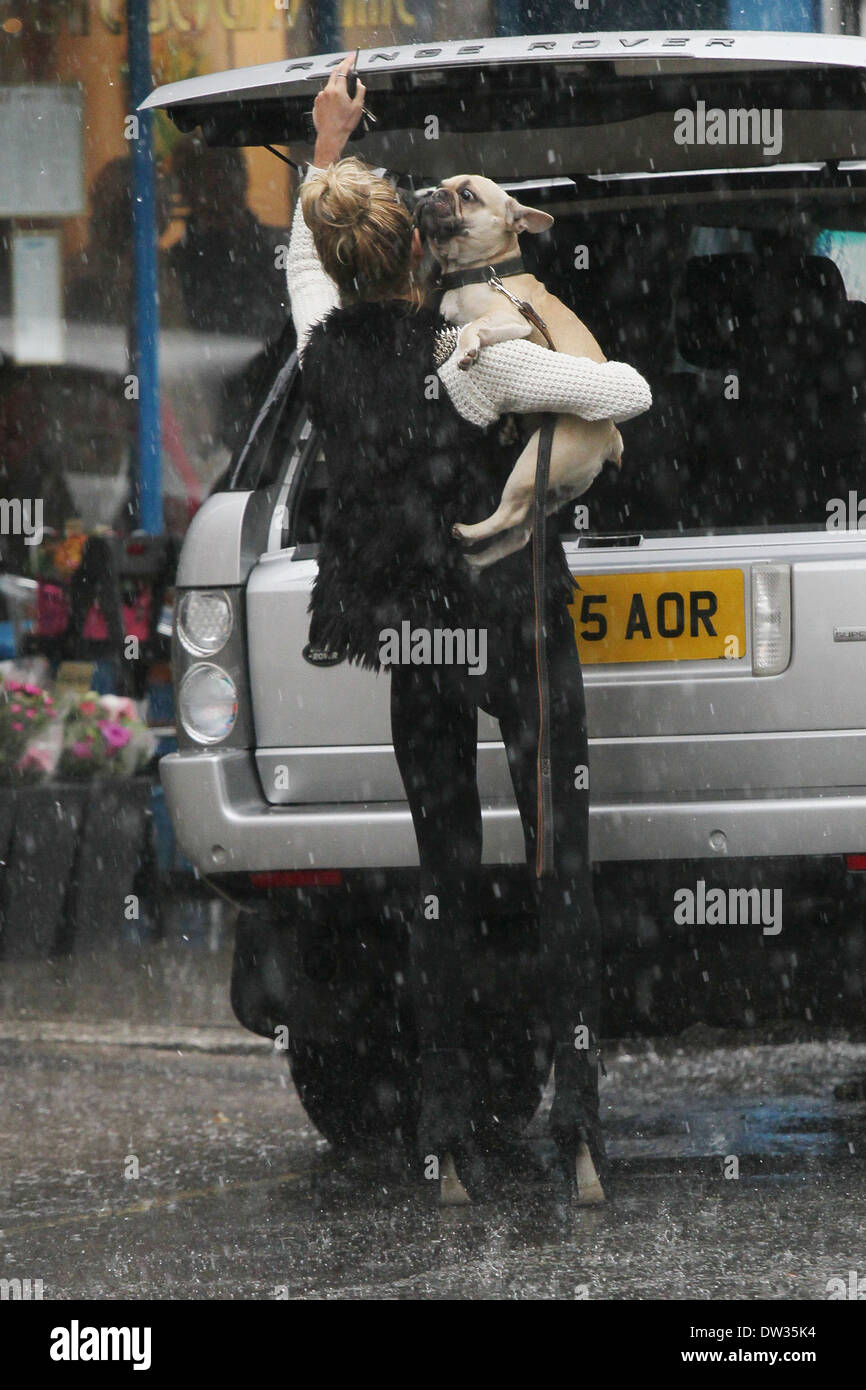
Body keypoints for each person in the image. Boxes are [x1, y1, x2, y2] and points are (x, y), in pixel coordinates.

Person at [286, 57, 652, 1201]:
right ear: (418, 254)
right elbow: (623, 396)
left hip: (411, 637)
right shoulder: (473, 363)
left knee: (438, 876)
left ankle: (441, 1137)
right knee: (561, 870)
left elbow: (304, 260)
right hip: (514, 620)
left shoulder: (322, 353)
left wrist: (325, 147)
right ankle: (578, 1132)